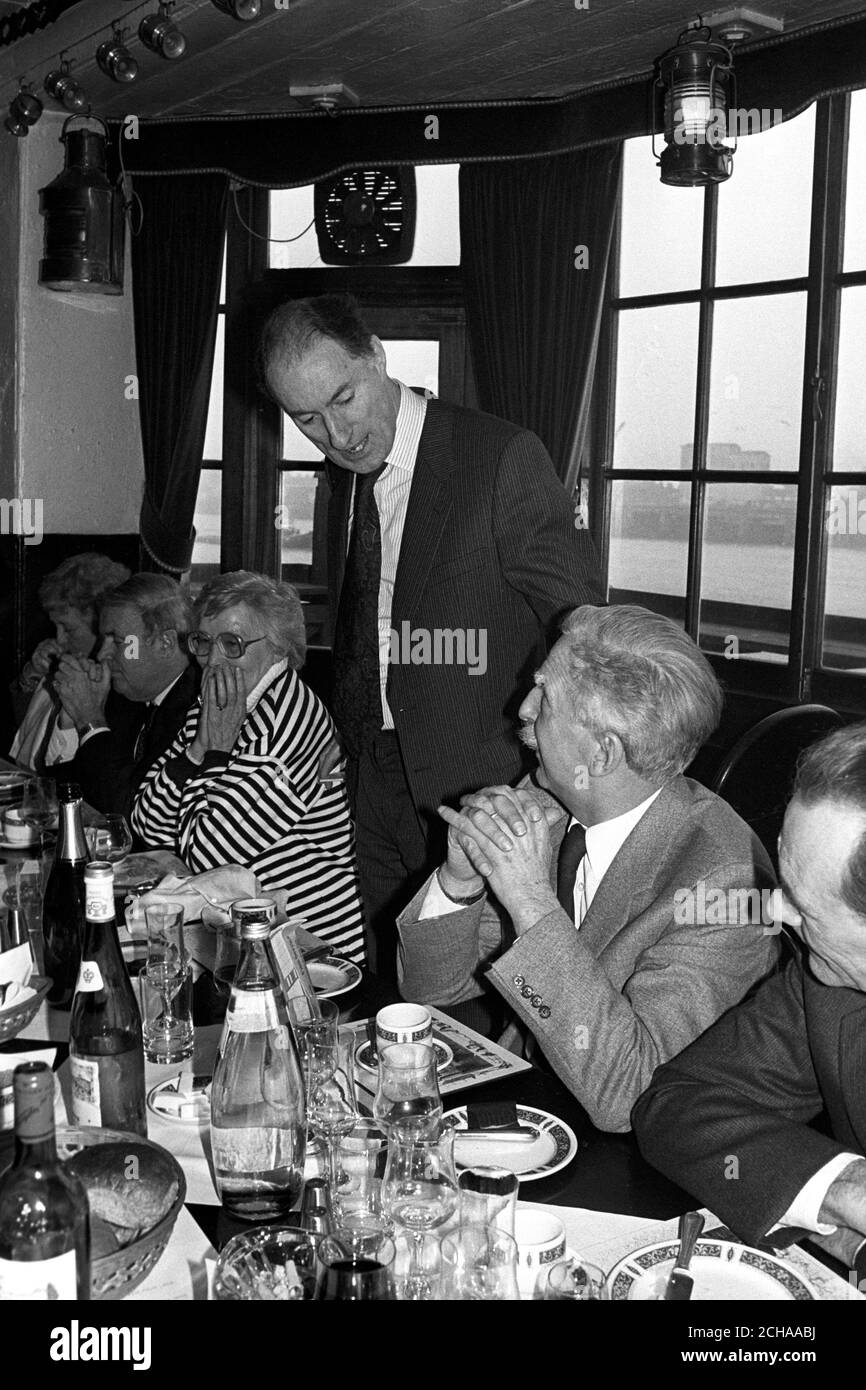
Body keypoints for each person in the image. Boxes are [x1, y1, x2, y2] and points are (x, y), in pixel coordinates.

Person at [258, 293, 604, 977]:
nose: (337, 434)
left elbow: (583, 630)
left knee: (481, 1000)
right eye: (307, 419)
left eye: (344, 398)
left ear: (378, 357)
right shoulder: (346, 482)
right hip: (371, 780)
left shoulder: (500, 457)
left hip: (488, 788)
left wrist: (543, 780)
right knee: (402, 983)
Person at [396, 604, 779, 1132]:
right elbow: (433, 994)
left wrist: (530, 901)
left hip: (642, 1171)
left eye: (544, 696)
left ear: (601, 755)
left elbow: (633, 1095)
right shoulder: (550, 802)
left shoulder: (727, 886)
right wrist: (460, 881)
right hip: (530, 1107)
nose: (522, 709)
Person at [633, 722, 866, 1271]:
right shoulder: (824, 983)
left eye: (804, 908)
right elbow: (675, 1106)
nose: (774, 913)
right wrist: (835, 1188)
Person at [132, 571, 365, 962]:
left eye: (232, 644)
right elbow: (147, 824)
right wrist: (197, 752)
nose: (213, 661)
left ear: (277, 648)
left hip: (312, 947)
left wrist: (215, 753)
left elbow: (208, 855)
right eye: (204, 643)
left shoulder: (289, 718)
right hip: (248, 933)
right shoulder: (217, 704)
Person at [50, 573, 200, 820]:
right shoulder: (127, 696)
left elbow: (128, 814)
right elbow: (65, 792)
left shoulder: (195, 710)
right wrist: (72, 713)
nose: (103, 654)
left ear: (165, 643)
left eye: (118, 641)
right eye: (103, 639)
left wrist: (90, 720)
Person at [10, 552, 131, 771]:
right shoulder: (65, 666)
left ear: (103, 628)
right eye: (55, 627)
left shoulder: (116, 691)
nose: (59, 639)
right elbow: (25, 741)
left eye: (69, 629)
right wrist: (31, 679)